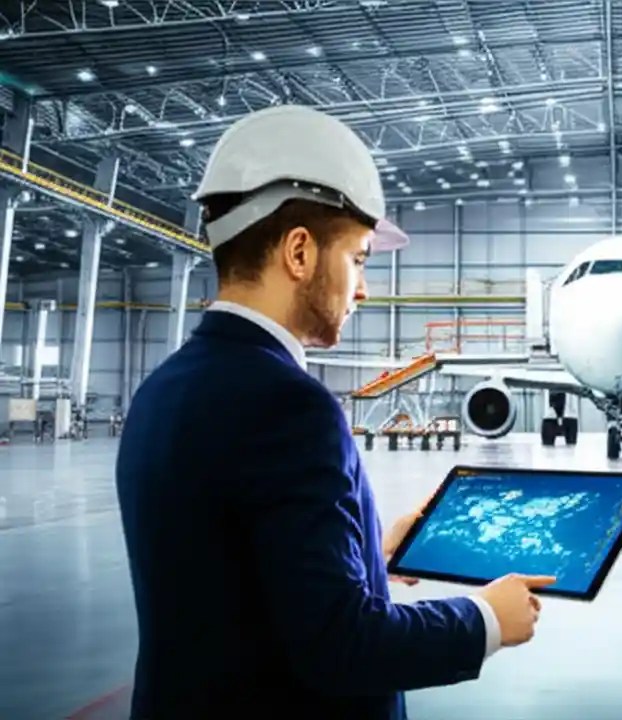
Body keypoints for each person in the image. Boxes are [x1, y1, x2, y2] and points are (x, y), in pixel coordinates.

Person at [114, 104, 555, 719]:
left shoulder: (162, 390)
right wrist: (485, 619)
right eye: (360, 258)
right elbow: (341, 647)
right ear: (299, 253)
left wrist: (370, 553)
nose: (365, 288)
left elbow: (229, 581)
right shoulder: (288, 404)